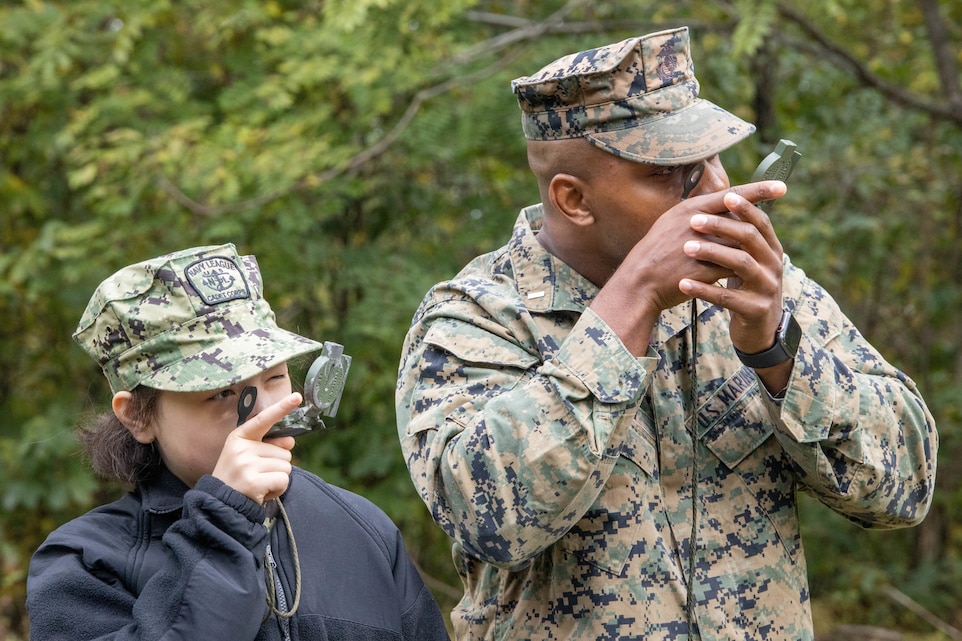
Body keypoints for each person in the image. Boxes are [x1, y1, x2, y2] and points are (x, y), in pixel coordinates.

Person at [395, 26, 938, 640]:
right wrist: (635, 298)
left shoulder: (758, 287)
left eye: (712, 159)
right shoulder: (475, 320)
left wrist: (776, 347)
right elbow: (487, 517)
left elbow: (905, 489)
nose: (714, 188)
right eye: (671, 173)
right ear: (574, 199)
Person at [27, 244, 451, 641]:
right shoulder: (84, 562)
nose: (267, 410)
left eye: (275, 377)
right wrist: (225, 520)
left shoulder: (363, 529)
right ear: (137, 415)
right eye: (221, 393)